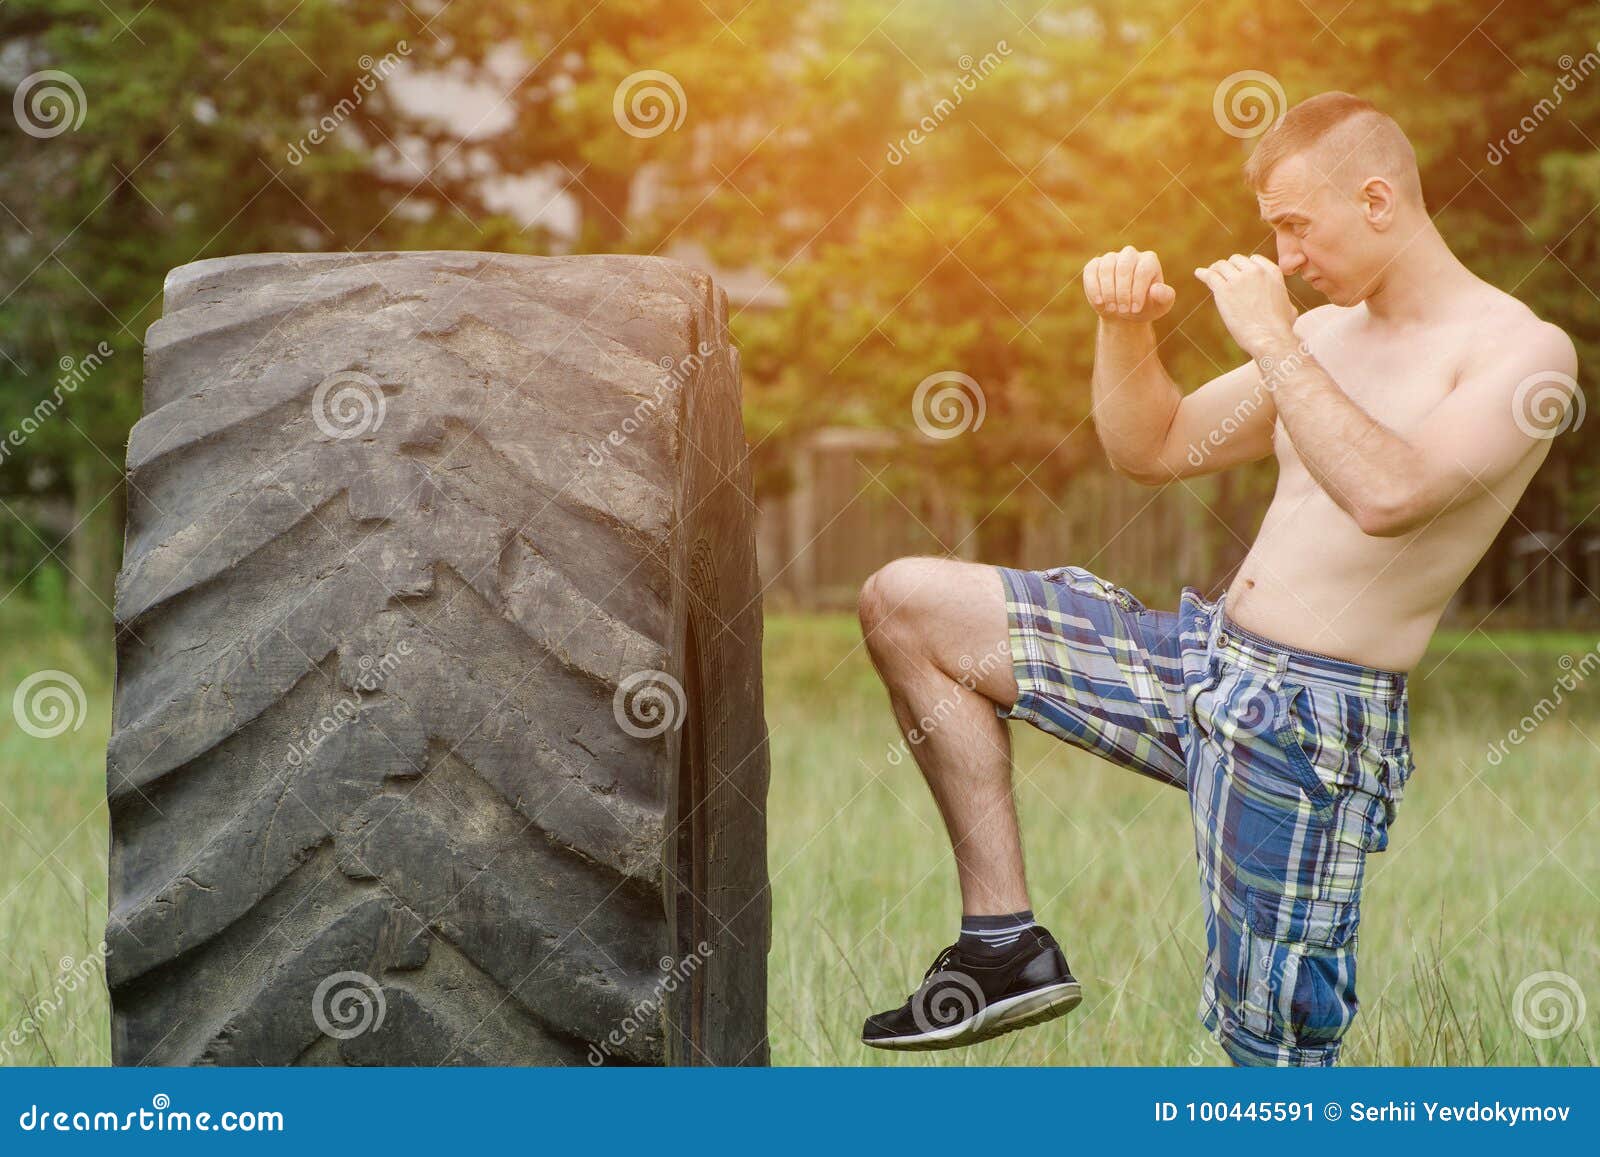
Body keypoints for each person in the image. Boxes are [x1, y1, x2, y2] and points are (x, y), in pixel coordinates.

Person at [856, 91, 1579, 1065]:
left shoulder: (1520, 353)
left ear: (1375, 200)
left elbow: (1388, 494)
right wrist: (1123, 325)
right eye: (1273, 234)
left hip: (1308, 722)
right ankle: (1003, 944)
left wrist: (1272, 337)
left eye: (1293, 226)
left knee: (1267, 1047)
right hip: (1200, 658)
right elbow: (1151, 446)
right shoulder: (1325, 336)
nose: (1284, 259)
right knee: (909, 604)